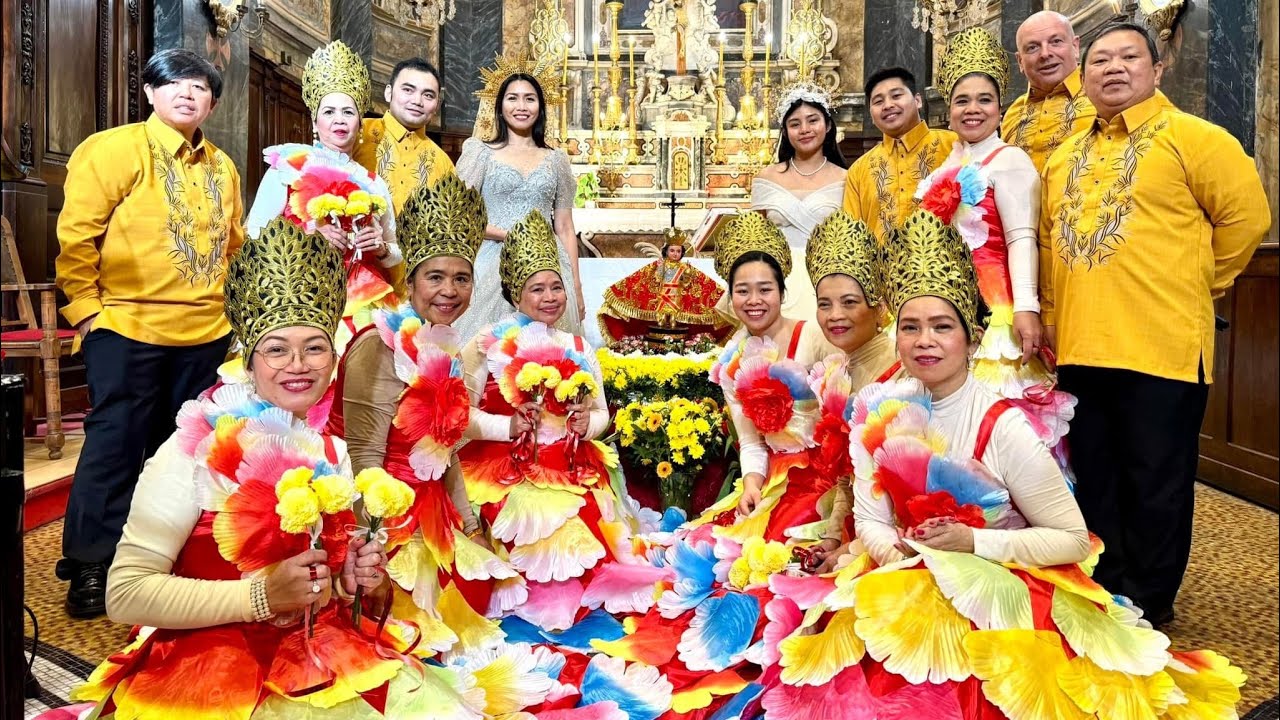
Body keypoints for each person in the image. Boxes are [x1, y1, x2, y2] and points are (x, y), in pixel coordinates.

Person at [756, 208, 1247, 719]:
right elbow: (874, 520)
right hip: (895, 575)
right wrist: (896, 549)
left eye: (942, 326)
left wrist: (973, 543)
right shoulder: (879, 410)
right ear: (896, 335)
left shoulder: (1003, 424)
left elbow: (1072, 539)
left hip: (997, 585)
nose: (925, 340)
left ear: (970, 337)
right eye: (912, 327)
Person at [64, 216, 465, 717]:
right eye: (277, 349)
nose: (298, 365)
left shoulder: (329, 451)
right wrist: (259, 596)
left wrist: (347, 579)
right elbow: (124, 594)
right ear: (248, 359)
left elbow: (320, 584)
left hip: (319, 654)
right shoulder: (193, 449)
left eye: (315, 347)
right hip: (211, 667)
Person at [1041, 22, 1270, 626]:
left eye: (1127, 58)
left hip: (1162, 344)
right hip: (1082, 346)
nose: (1112, 69)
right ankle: (1105, 585)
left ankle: (1148, 600)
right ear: (1082, 75)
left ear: (1157, 68)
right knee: (1095, 475)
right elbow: (1047, 245)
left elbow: (1247, 221)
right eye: (1100, 61)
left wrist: (1194, 284)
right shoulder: (1065, 156)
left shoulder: (1198, 139)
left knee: (1155, 480)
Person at [54, 49, 242, 619]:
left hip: (206, 331)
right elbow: (76, 237)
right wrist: (88, 313)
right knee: (115, 446)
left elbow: (233, 247)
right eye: (175, 82)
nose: (188, 92)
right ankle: (92, 565)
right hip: (128, 325)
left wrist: (234, 323)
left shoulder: (223, 166)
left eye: (200, 86)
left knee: (179, 455)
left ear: (212, 101)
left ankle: (160, 558)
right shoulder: (113, 149)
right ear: (150, 91)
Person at [327, 173, 512, 648]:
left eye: (461, 278)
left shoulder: (442, 344)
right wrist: (371, 555)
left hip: (432, 516)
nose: (449, 290)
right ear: (409, 282)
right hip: (383, 523)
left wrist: (468, 521)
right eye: (435, 277)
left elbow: (444, 447)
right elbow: (362, 459)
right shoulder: (378, 346)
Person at [455, 209, 629, 633]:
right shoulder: (487, 344)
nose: (550, 296)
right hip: (503, 464)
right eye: (537, 288)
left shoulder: (578, 346)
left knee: (589, 524)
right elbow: (461, 417)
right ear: (516, 295)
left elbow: (603, 413)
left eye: (557, 286)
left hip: (570, 463)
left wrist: (585, 425)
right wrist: (507, 427)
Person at [916, 27, 1074, 456]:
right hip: (946, 307)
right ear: (947, 110)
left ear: (1000, 108)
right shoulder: (947, 163)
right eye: (961, 101)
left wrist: (1025, 308)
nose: (972, 110)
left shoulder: (1010, 160)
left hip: (996, 309)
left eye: (984, 100)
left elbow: (1022, 238)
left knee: (992, 423)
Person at [688, 211, 838, 542]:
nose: (754, 301)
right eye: (743, 291)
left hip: (824, 477)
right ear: (731, 295)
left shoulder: (814, 336)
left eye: (765, 289)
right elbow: (752, 443)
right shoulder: (731, 361)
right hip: (774, 476)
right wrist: (752, 484)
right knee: (709, 545)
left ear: (782, 292)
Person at [245, 40, 399, 354]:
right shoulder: (289, 167)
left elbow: (396, 249)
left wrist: (380, 247)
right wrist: (307, 236)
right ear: (315, 121)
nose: (339, 120)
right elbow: (255, 233)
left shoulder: (372, 183)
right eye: (329, 111)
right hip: (295, 292)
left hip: (361, 294)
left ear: (359, 123)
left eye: (348, 112)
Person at [454, 57, 585, 341]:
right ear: (500, 107)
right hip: (491, 261)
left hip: (547, 262)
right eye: (513, 98)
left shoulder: (557, 160)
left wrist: (575, 284)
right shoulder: (480, 153)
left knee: (546, 352)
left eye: (530, 99)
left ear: (540, 107)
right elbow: (460, 216)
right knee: (488, 349)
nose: (521, 106)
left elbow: (564, 225)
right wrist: (509, 235)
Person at [803, 210, 904, 572]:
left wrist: (852, 551)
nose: (835, 316)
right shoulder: (837, 373)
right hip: (859, 526)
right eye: (824, 304)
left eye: (849, 302)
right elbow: (847, 478)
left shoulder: (901, 370)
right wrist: (832, 538)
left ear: (879, 308)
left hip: (902, 537)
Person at [749, 82, 848, 319]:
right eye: (795, 124)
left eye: (813, 120)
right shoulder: (766, 177)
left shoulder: (847, 178)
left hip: (826, 280)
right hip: (776, 282)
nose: (804, 129)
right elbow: (756, 239)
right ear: (785, 131)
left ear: (828, 125)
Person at [843, 66, 955, 244]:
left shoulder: (954, 146)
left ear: (917, 100)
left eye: (896, 96)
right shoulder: (858, 170)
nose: (888, 105)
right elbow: (852, 239)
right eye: (878, 101)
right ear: (871, 114)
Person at [597, 228, 733, 346]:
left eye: (678, 251)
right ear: (666, 251)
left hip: (676, 296)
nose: (675, 254)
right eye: (672, 250)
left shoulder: (685, 267)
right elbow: (648, 278)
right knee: (661, 317)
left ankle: (672, 326)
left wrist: (688, 275)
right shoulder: (660, 265)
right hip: (663, 296)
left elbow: (691, 283)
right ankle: (662, 326)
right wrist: (660, 268)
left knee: (674, 317)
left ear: (682, 253)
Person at [354, 57, 455, 210]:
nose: (417, 101)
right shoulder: (358, 132)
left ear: (436, 106)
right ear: (389, 93)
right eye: (408, 90)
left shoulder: (443, 162)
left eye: (428, 95)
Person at [1002, 11, 1096, 173]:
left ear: (1075, 47)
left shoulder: (1101, 97)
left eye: (1056, 42)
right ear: (1020, 61)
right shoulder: (1013, 113)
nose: (1045, 54)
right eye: (1032, 48)